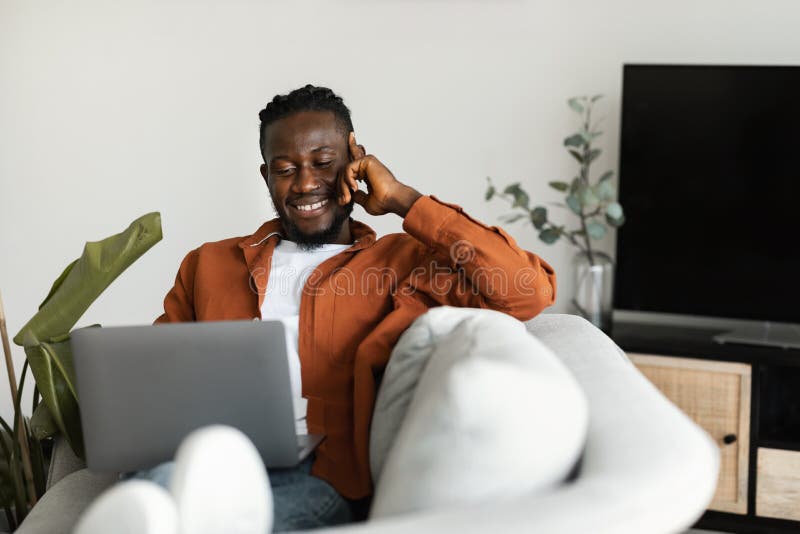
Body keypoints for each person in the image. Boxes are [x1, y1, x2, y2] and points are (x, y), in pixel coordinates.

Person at [75, 85, 557, 534]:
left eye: (323, 162)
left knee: (192, 510)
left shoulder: (401, 263)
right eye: (285, 169)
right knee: (171, 484)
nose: (305, 184)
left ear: (355, 160)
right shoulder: (209, 265)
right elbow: (158, 379)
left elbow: (526, 291)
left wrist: (404, 200)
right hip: (201, 454)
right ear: (266, 177)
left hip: (314, 476)